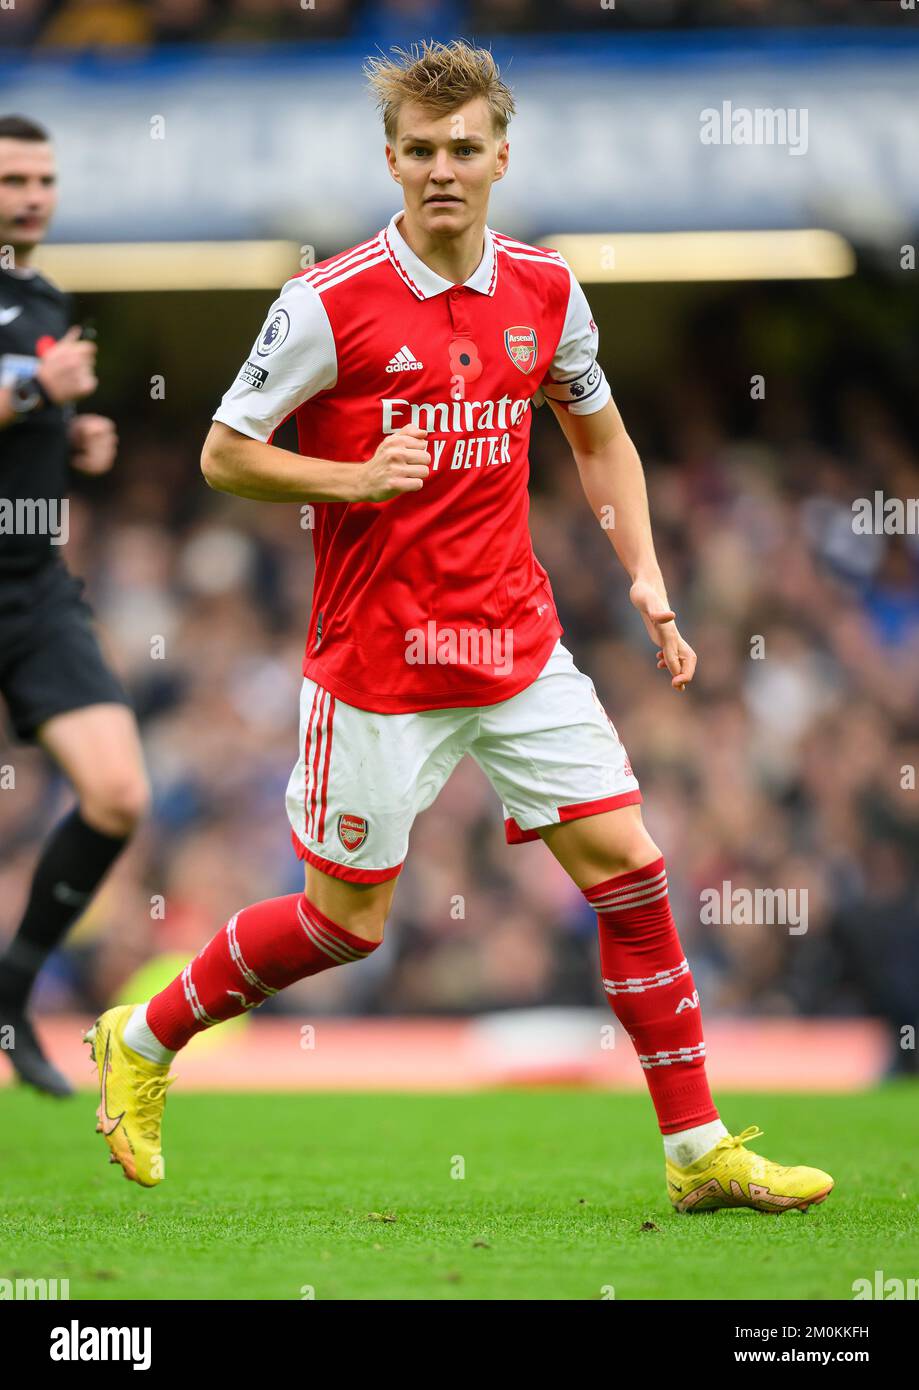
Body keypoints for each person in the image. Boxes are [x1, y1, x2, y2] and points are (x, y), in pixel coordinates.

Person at [85, 41, 832, 1213]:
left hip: (517, 647)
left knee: (632, 870)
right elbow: (223, 454)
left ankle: (699, 1155)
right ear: (391, 160)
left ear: (498, 157)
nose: (443, 168)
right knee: (347, 927)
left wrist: (646, 575)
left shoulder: (548, 290)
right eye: (421, 151)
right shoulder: (324, 304)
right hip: (377, 668)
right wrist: (350, 481)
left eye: (464, 149)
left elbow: (602, 440)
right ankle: (147, 1032)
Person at [0, 115, 149, 1097]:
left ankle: (11, 995)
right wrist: (28, 394)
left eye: (45, 177)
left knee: (117, 793)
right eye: (13, 178)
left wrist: (70, 434)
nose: (33, 195)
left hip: (33, 587)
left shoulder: (43, 296)